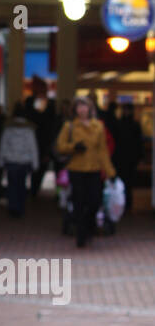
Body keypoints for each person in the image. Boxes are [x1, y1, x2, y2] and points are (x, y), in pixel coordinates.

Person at [55, 97, 116, 248]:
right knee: (79, 201)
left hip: (94, 169)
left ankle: (88, 226)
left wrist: (110, 172)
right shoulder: (69, 126)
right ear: (75, 109)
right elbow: (60, 146)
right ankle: (81, 234)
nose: (82, 110)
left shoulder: (98, 127)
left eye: (85, 106)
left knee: (95, 201)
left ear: (90, 109)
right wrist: (74, 147)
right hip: (76, 169)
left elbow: (103, 151)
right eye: (79, 107)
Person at [0, 103, 40, 217]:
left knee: (11, 184)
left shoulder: (8, 128)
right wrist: (35, 163)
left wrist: (1, 160)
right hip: (24, 161)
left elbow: (3, 145)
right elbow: (33, 147)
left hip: (11, 160)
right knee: (22, 185)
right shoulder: (29, 130)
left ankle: (12, 206)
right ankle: (20, 207)